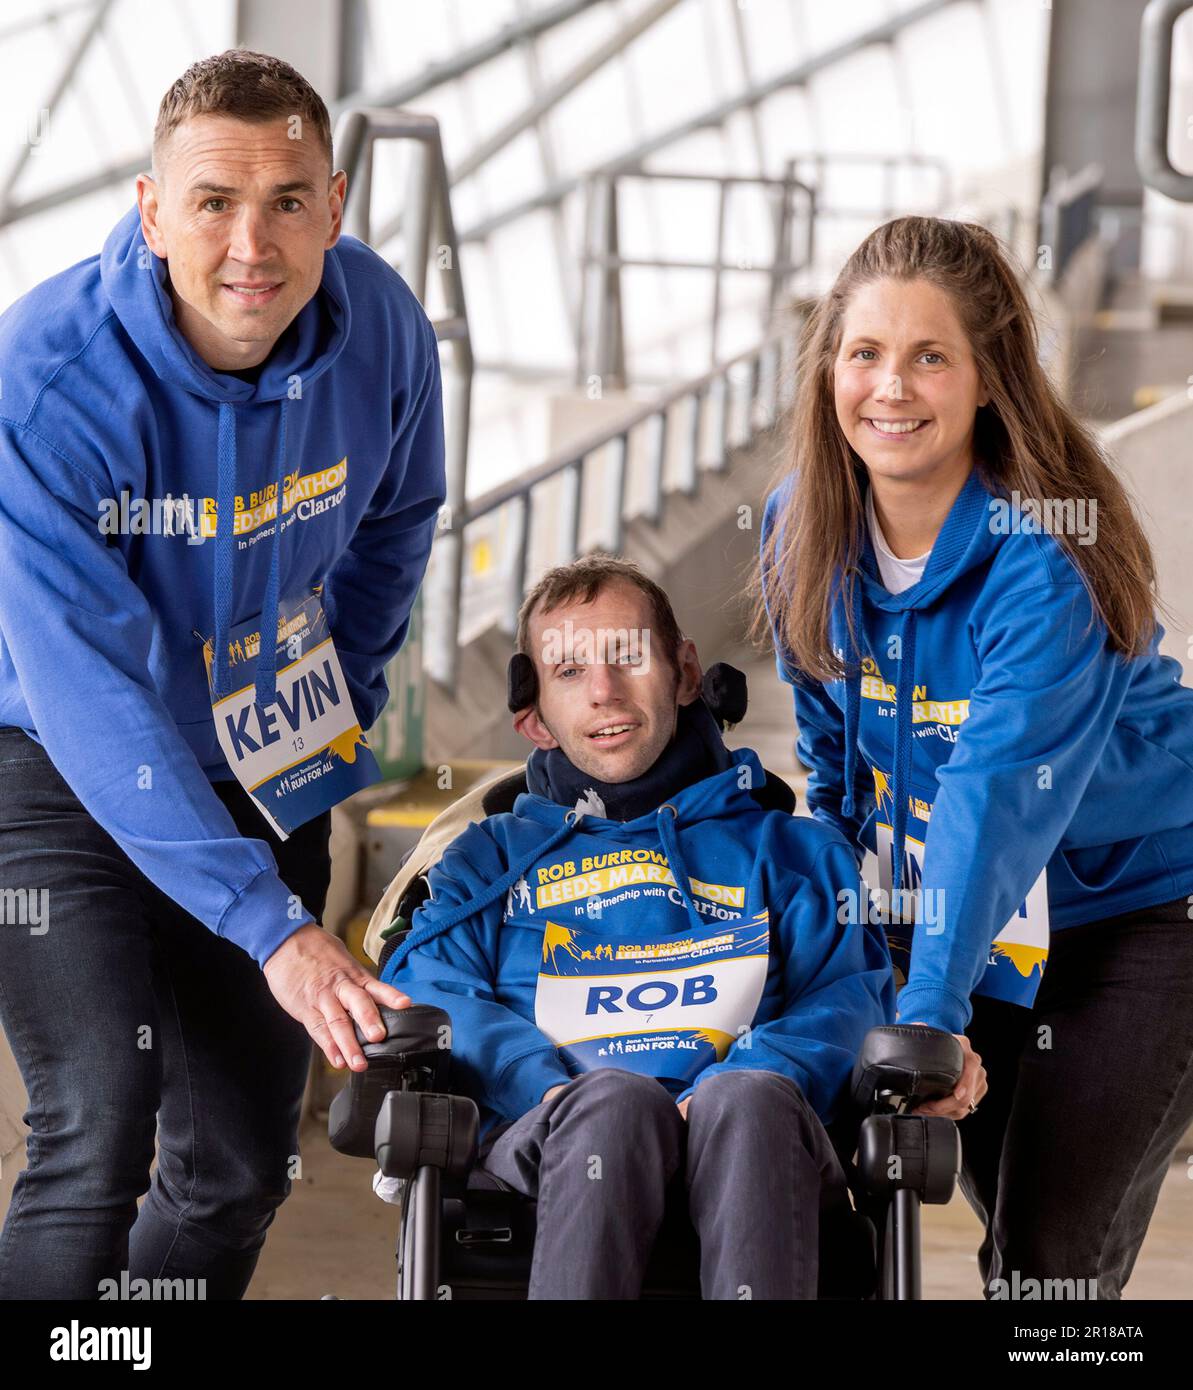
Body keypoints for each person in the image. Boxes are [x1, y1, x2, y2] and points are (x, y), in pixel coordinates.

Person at [0, 50, 431, 1299]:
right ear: (149, 210)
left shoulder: (383, 324)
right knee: (97, 1125)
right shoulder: (44, 384)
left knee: (242, 1163)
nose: (254, 244)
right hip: (47, 759)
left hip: (249, 750)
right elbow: (87, 695)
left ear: (336, 205)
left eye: (289, 200)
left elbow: (402, 515)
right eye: (212, 202)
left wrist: (333, 687)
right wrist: (276, 932)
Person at [755, 214, 1193, 1299]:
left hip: (1137, 910)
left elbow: (988, 803)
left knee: (1049, 1262)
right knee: (1005, 1241)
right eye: (863, 353)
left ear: (989, 377)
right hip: (978, 920)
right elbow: (831, 763)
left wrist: (926, 1011)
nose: (888, 388)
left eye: (927, 356)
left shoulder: (1041, 555)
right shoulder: (798, 525)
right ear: (826, 371)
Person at [380, 554, 922, 1299]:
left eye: (626, 657)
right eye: (568, 672)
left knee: (748, 1100)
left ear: (684, 673)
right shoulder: (483, 861)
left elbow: (847, 1003)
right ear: (532, 714)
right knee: (612, 1104)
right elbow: (432, 996)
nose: (602, 692)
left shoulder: (794, 850)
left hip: (761, 1141)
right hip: (549, 1137)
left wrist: (734, 1083)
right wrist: (545, 1091)